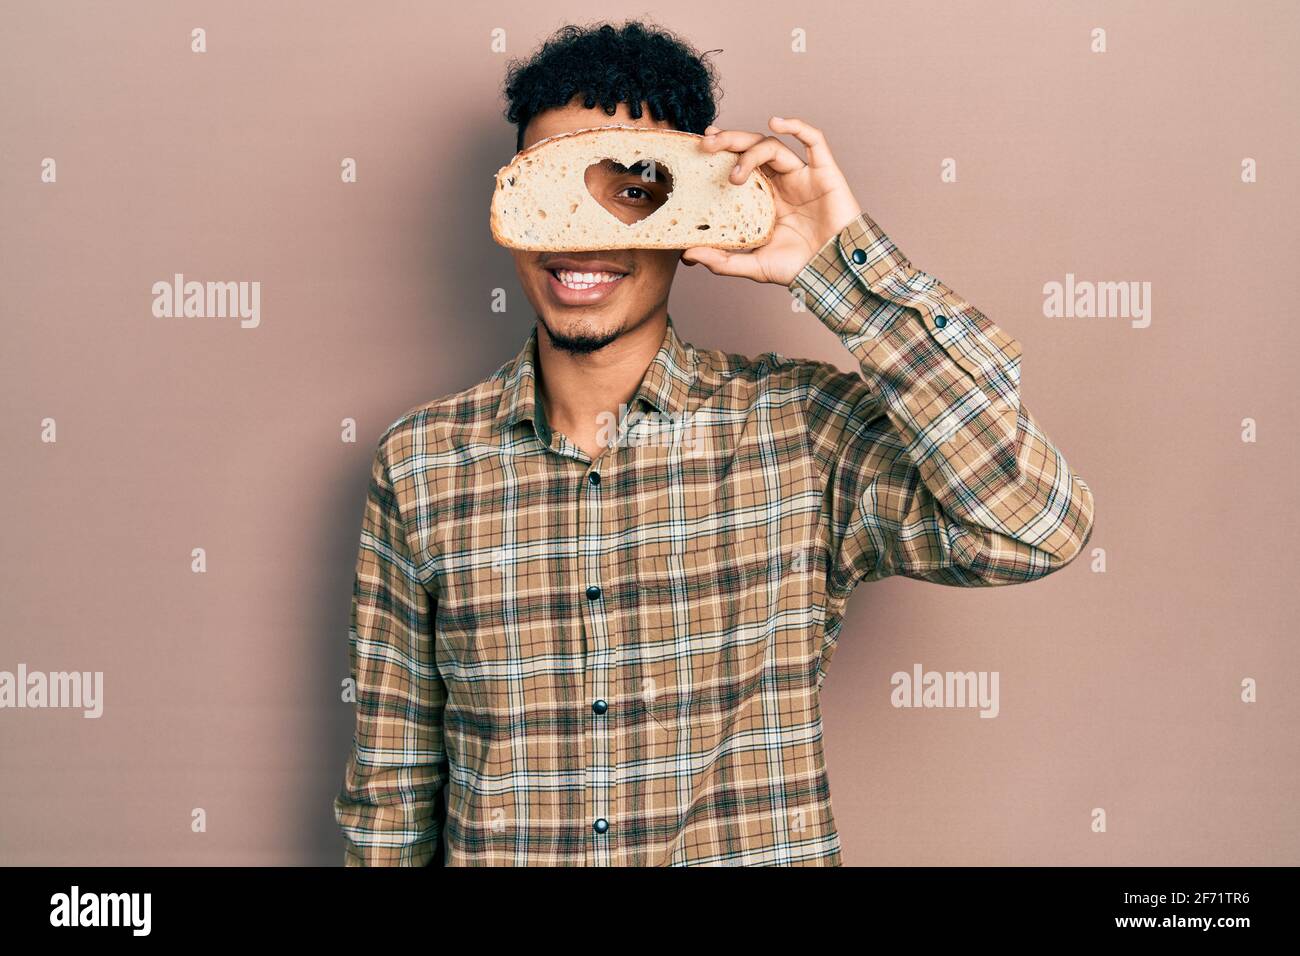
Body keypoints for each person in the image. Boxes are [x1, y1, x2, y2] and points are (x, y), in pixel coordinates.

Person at [333, 19, 1095, 866]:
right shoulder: (422, 465)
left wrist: (840, 275)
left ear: (694, 209)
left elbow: (1031, 528)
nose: (584, 236)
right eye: (557, 186)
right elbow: (393, 785)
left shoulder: (799, 431)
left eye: (632, 193)